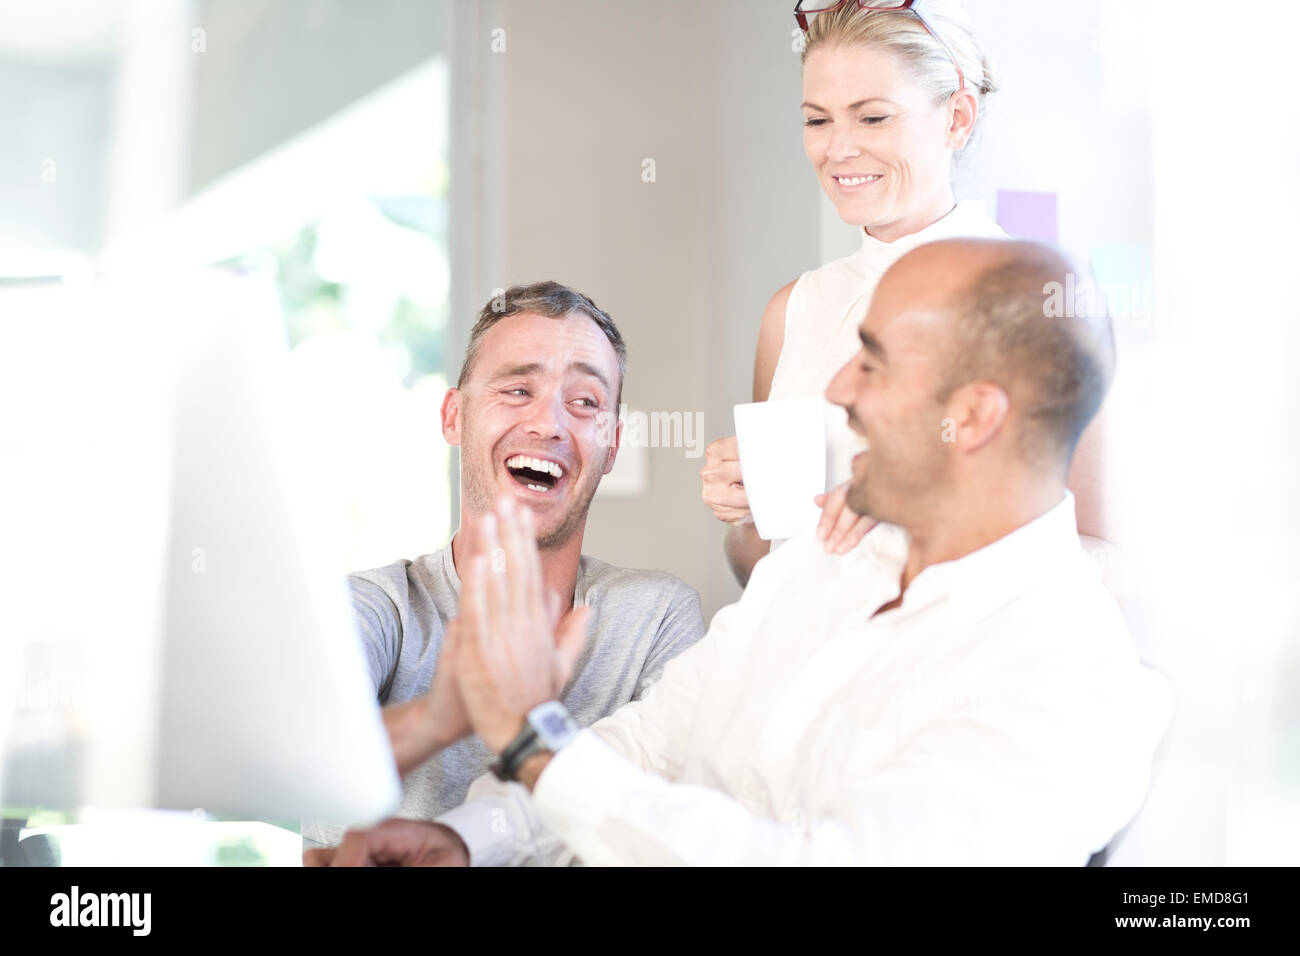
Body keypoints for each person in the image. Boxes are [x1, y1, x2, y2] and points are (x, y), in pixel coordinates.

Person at [307, 237, 1172, 867]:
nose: (836, 388)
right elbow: (654, 741)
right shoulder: (820, 564)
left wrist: (530, 746)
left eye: (872, 364)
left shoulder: (1071, 683)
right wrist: (461, 840)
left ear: (974, 416)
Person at [701, 0, 1111, 588]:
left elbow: (1116, 560)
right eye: (817, 120)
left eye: (872, 118)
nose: (837, 149)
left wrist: (927, 530)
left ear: (958, 119)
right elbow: (765, 571)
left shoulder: (1043, 299)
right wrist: (747, 515)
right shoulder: (794, 309)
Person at [300, 281, 706, 854]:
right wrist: (439, 720)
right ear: (453, 417)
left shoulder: (654, 617)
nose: (549, 425)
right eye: (518, 390)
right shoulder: (373, 609)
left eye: (586, 402)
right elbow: (290, 759)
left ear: (611, 446)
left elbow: (673, 826)